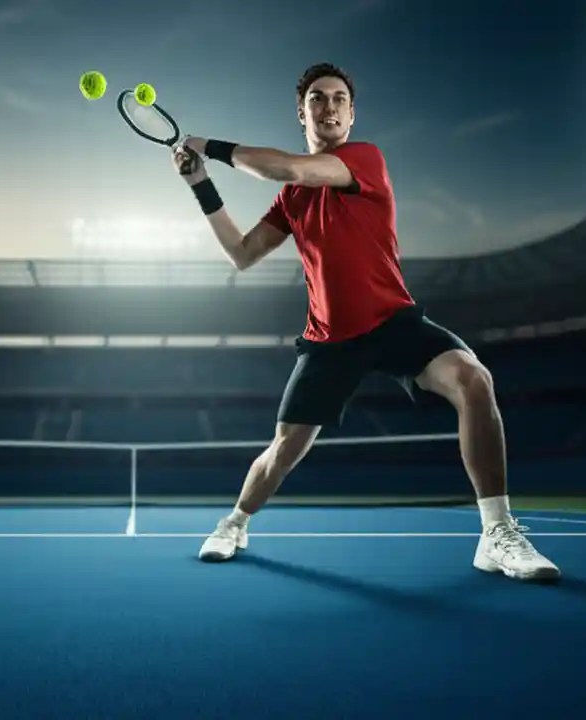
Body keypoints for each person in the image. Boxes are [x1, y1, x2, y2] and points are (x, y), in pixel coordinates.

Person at [173, 62, 560, 581]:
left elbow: (290, 167)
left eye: (338, 99)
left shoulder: (364, 159)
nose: (328, 106)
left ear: (351, 115)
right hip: (329, 340)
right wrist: (201, 185)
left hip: (394, 321)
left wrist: (205, 144)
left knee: (474, 379)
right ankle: (235, 522)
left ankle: (497, 532)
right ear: (302, 112)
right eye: (317, 98)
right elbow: (242, 254)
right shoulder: (292, 198)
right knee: (284, 449)